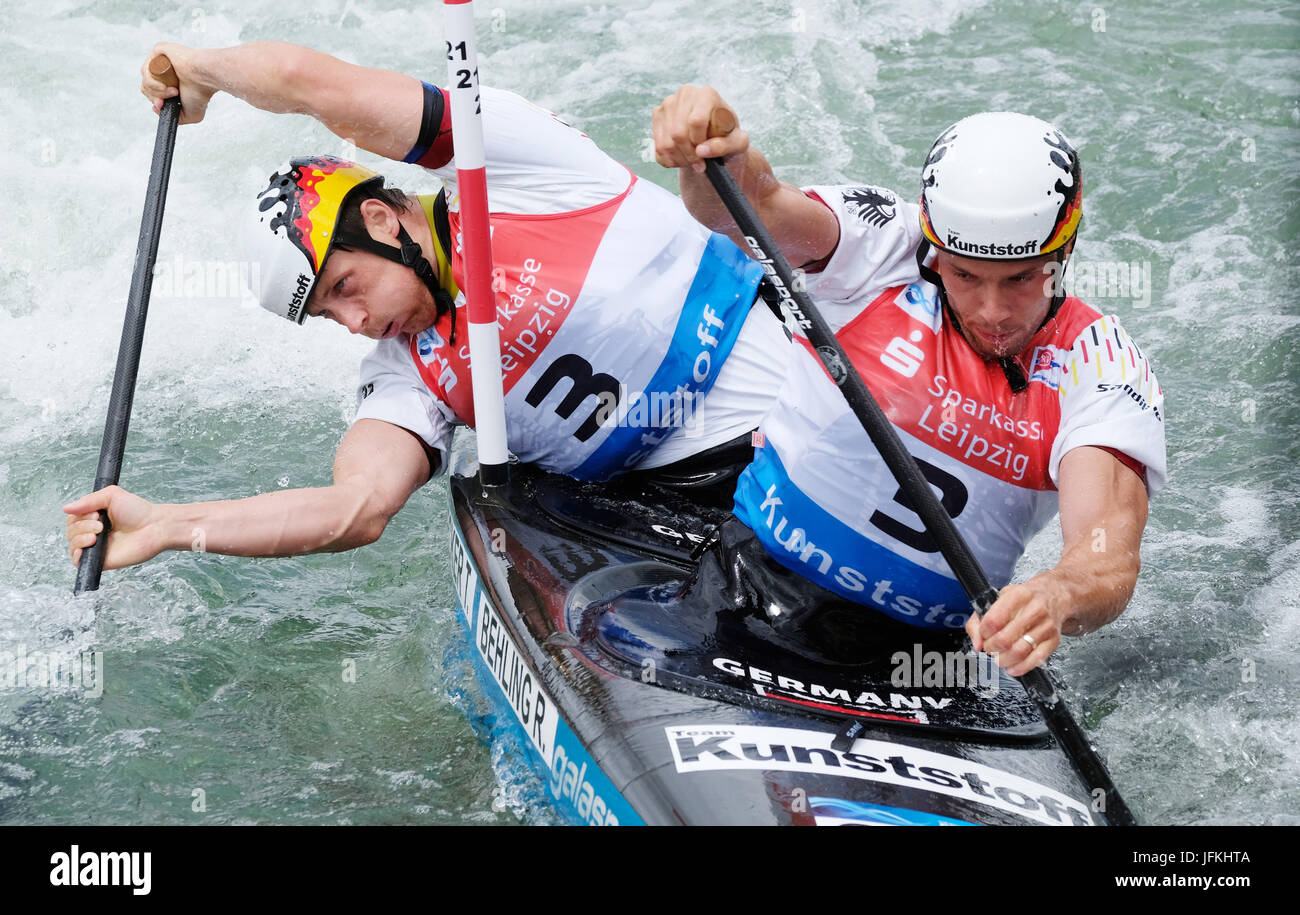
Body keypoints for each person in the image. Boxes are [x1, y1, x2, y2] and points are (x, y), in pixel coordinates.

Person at [63, 44, 791, 572]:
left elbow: (307, 83)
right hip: (674, 509)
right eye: (325, 315)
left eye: (344, 286)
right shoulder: (409, 372)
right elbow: (358, 506)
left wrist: (199, 73)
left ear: (381, 220)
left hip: (795, 404)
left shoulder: (504, 168)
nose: (353, 322)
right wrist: (164, 525)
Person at [652, 86, 1167, 675]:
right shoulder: (881, 246)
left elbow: (1106, 553)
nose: (993, 311)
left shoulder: (1102, 366)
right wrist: (709, 151)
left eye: (1022, 280)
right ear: (935, 246)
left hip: (920, 666)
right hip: (741, 594)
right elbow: (746, 204)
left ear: (1066, 249)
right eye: (966, 275)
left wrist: (1057, 595)